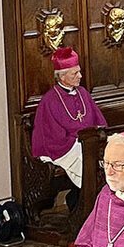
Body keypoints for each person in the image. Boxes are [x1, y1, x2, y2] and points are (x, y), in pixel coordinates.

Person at [30, 47, 108, 196]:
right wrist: (79, 141)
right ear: (62, 76)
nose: (80, 76)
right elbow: (52, 136)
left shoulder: (83, 93)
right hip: (66, 147)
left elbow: (98, 121)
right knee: (86, 161)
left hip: (88, 142)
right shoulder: (50, 100)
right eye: (75, 73)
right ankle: (89, 200)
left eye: (79, 71)